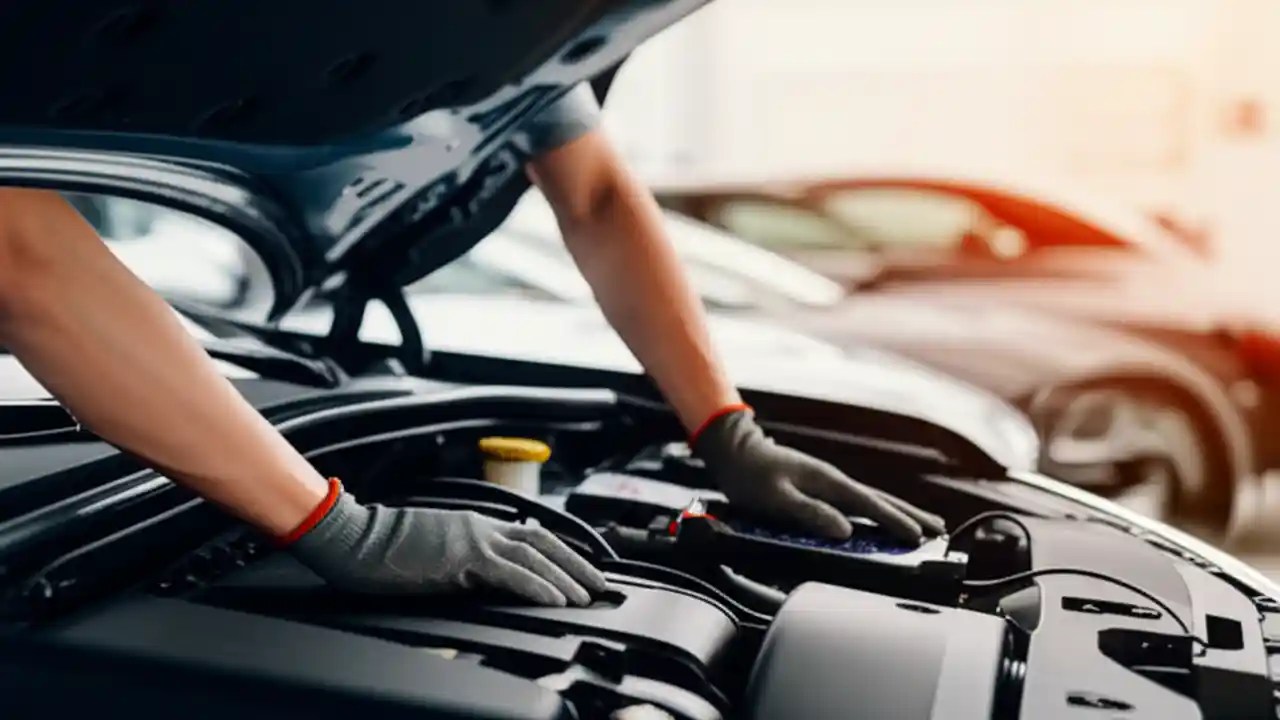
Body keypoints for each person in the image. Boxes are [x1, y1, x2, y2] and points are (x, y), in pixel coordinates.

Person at [0, 84, 943, 608]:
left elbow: (598, 195)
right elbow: (18, 251)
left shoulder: (464, 27)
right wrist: (339, 527)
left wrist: (725, 429)